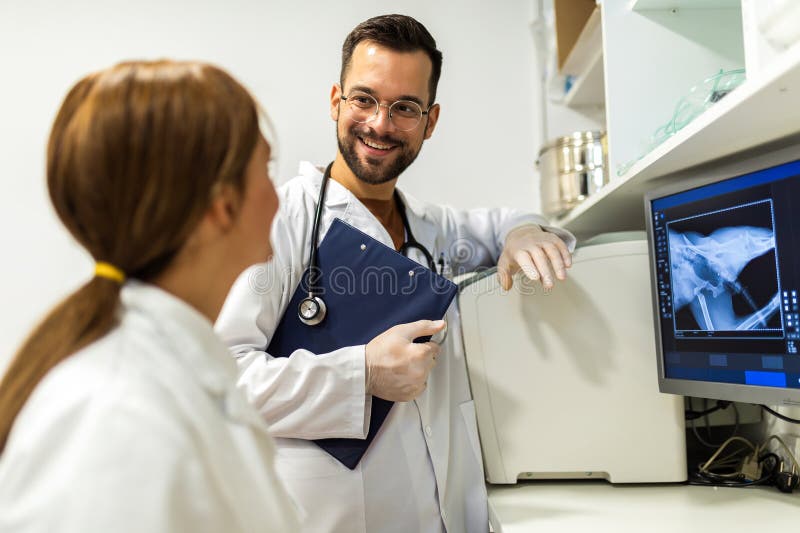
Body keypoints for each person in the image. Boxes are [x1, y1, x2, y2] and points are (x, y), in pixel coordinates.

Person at [215, 14, 575, 533]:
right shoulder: (280, 220)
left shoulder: (431, 226)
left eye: (404, 107)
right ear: (336, 101)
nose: (380, 124)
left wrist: (526, 232)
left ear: (430, 121)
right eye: (364, 99)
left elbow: (508, 224)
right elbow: (224, 380)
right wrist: (361, 373)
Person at [0, 60, 300, 532]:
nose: (278, 195)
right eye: (265, 167)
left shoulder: (168, 379)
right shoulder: (115, 419)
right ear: (222, 206)